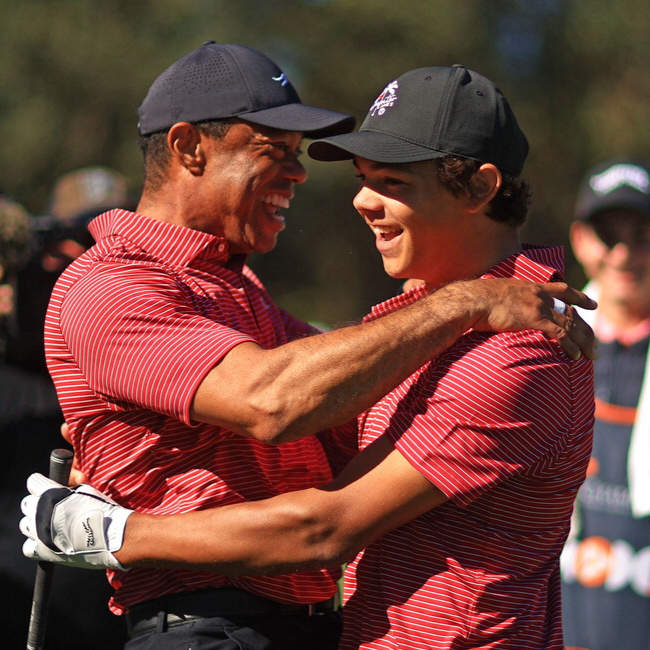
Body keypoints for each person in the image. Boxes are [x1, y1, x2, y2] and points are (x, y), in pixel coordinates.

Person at [22, 63, 596, 650]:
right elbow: (280, 402)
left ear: (480, 187)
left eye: (393, 182)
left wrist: (116, 531)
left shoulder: (520, 344)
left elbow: (324, 518)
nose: (357, 199)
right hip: (203, 626)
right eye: (276, 149)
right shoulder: (115, 284)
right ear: (187, 146)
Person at [559, 157, 650, 650]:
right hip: (559, 622)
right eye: (607, 234)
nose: (622, 253)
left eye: (641, 233)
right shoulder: (541, 348)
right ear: (579, 239)